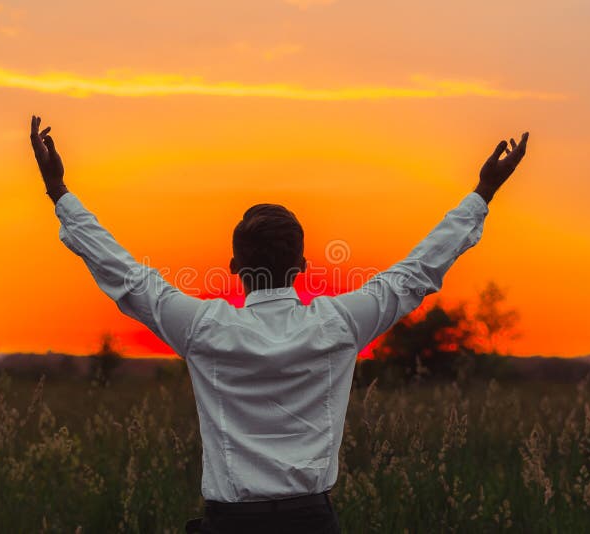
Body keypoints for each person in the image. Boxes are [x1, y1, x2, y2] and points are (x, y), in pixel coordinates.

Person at [29, 115, 529, 533]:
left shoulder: (203, 327)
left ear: (234, 268)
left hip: (231, 525)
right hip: (312, 522)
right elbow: (416, 271)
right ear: (303, 266)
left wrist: (59, 191)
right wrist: (483, 191)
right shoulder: (338, 324)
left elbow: (124, 274)